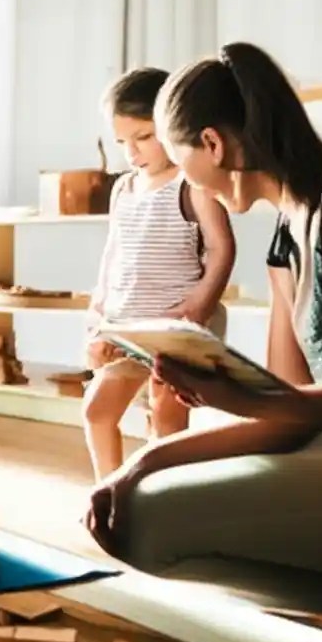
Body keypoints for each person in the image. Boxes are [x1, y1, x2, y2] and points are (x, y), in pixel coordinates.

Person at [86, 42, 322, 577]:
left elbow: (297, 409)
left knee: (151, 522)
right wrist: (143, 462)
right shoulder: (284, 244)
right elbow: (289, 416)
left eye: (174, 154)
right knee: (132, 505)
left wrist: (254, 399)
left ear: (212, 144)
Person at [82, 67, 236, 481]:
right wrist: (98, 315)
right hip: (126, 329)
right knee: (97, 410)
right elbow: (112, 254)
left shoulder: (192, 184)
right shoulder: (123, 189)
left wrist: (200, 305)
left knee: (165, 421)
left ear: (171, 123)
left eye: (143, 137)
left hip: (173, 334)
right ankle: (109, 491)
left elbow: (222, 248)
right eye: (122, 142)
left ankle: (161, 496)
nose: (131, 153)